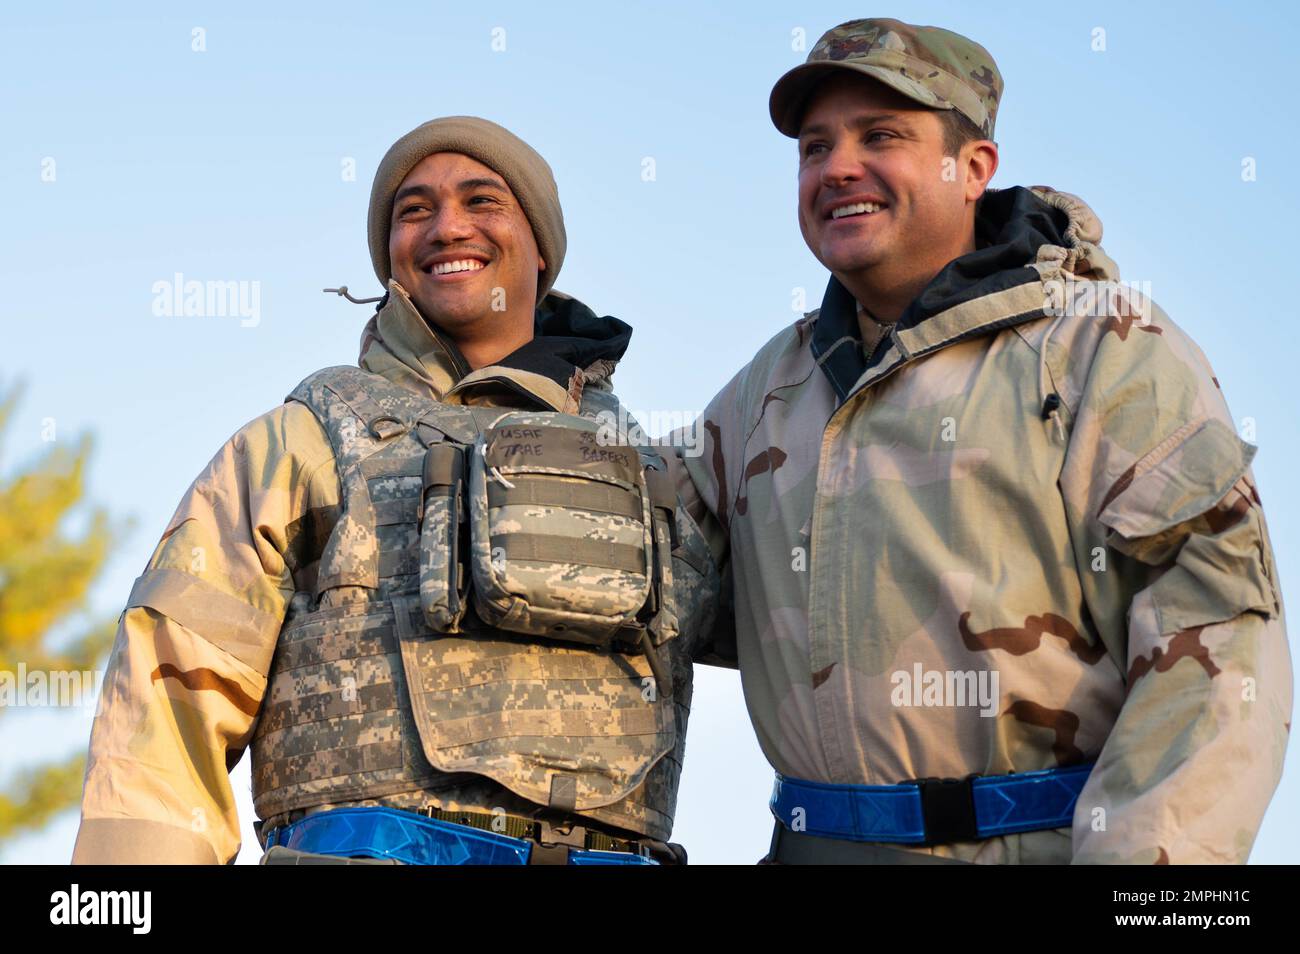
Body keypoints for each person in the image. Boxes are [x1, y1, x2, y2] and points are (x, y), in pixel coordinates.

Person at [670, 18, 1291, 864]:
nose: (837, 167)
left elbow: (1217, 652)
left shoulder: (1105, 351)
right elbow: (635, 566)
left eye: (879, 135)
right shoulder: (764, 389)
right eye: (815, 148)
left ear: (974, 169)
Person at [72, 116, 723, 865]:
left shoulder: (655, 469)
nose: (447, 228)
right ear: (389, 255)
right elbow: (167, 704)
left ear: (542, 246)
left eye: (482, 201)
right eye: (414, 210)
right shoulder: (305, 439)